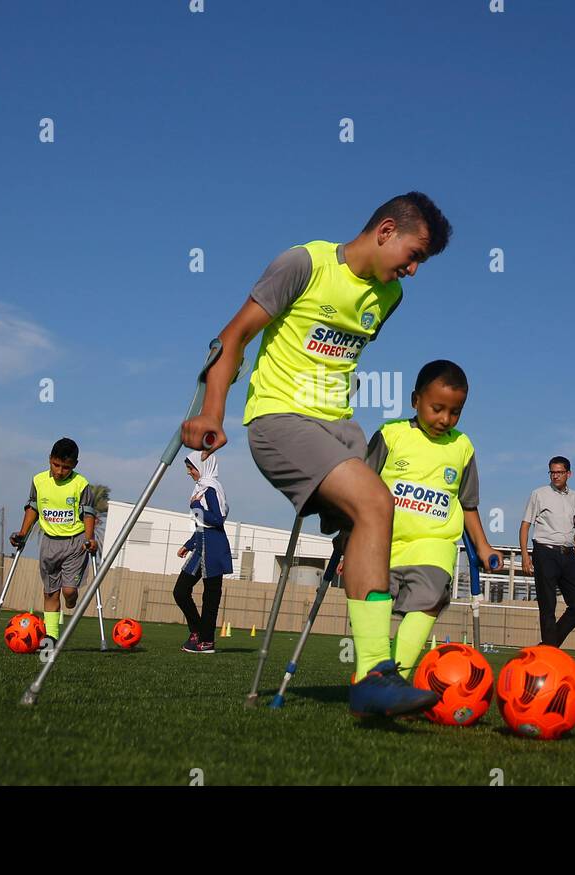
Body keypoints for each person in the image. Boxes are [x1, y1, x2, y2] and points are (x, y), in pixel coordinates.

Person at [180, 191, 453, 718]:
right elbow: (233, 337)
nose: (414, 270)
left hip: (339, 432)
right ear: (386, 230)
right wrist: (213, 413)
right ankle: (376, 674)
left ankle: (372, 673)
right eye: (413, 254)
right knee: (376, 504)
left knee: (368, 523)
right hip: (278, 420)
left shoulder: (389, 299)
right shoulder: (302, 264)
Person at [363, 360, 502, 678]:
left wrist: (483, 546)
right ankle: (372, 673)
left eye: (455, 412)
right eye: (437, 408)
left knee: (430, 599)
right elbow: (361, 490)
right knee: (374, 604)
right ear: (415, 400)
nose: (445, 419)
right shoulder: (391, 435)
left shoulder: (462, 447)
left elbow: (468, 504)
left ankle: (395, 677)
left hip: (434, 544)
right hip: (380, 542)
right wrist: (348, 539)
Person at [10, 438, 99, 644]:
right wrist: (22, 533)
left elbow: (88, 513)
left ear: (75, 465)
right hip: (49, 542)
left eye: (66, 467)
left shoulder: (81, 484)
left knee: (68, 591)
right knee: (50, 592)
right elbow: (33, 507)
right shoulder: (39, 480)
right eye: (56, 465)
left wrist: (89, 538)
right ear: (49, 459)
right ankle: (51, 637)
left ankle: (71, 598)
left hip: (75, 542)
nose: (60, 471)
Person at [520, 456, 575, 648]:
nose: (555, 476)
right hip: (545, 553)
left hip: (569, 556)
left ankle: (548, 646)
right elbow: (525, 526)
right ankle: (549, 652)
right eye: (552, 472)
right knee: (548, 606)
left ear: (569, 474)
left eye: (559, 472)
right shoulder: (539, 494)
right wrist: (525, 555)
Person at [174, 451, 233, 654]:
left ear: (203, 466)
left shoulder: (211, 488)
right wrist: (189, 544)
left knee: (211, 597)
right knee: (180, 592)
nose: (189, 472)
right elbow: (201, 523)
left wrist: (197, 506)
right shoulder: (200, 488)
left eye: (191, 468)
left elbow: (218, 519)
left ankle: (206, 641)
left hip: (214, 548)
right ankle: (198, 632)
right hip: (201, 545)